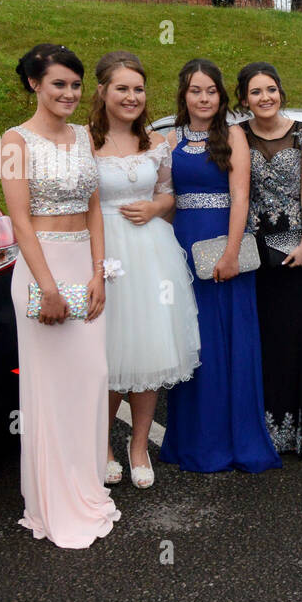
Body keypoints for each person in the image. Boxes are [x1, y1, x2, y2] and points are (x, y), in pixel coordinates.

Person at [1, 43, 120, 547]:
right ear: (34, 84)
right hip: (41, 269)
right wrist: (47, 286)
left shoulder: (84, 136)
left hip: (84, 267)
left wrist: (100, 272)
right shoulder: (13, 141)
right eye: (59, 84)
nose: (69, 93)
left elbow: (95, 208)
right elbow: (20, 220)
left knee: (92, 378)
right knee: (50, 389)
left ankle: (85, 484)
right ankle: (52, 500)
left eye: (75, 85)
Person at [158, 59, 282, 473]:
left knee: (226, 341)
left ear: (221, 96)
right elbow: (164, 195)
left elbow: (241, 197)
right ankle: (192, 439)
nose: (204, 97)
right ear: (184, 94)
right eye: (196, 90)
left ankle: (232, 439)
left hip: (223, 247)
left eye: (211, 90)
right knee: (191, 342)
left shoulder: (232, 136)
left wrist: (231, 254)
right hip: (182, 247)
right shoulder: (169, 138)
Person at [89, 51, 201, 487]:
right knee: (110, 354)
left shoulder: (157, 142)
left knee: (149, 350)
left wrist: (155, 206)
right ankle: (101, 445)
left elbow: (170, 194)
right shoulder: (84, 142)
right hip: (107, 250)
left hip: (153, 251)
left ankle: (139, 448)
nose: (132, 96)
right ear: (102, 91)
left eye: (138, 88)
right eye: (122, 88)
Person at [235, 63, 302, 457]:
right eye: (256, 92)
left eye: (271, 90)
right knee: (263, 338)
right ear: (245, 98)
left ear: (281, 93)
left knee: (300, 336)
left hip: (296, 248)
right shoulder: (237, 134)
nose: (265, 98)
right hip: (254, 251)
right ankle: (265, 429)